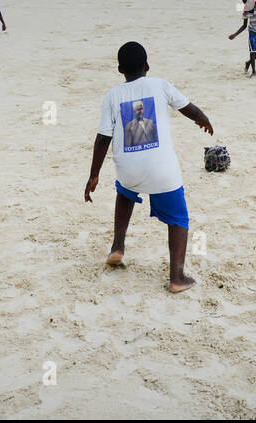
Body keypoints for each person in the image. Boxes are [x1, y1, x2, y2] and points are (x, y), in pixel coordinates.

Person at [84, 41, 213, 293]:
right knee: (178, 218)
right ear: (147, 66)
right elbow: (190, 109)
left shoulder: (112, 96)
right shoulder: (160, 85)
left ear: (120, 69)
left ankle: (117, 247)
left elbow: (102, 139)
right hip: (162, 173)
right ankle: (177, 277)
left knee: (124, 191)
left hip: (128, 171)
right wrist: (204, 120)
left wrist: (94, 174)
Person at [228, 0, 256, 76]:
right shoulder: (246, 10)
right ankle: (253, 72)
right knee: (253, 51)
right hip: (252, 31)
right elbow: (244, 25)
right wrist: (235, 34)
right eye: (244, 2)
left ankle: (248, 63)